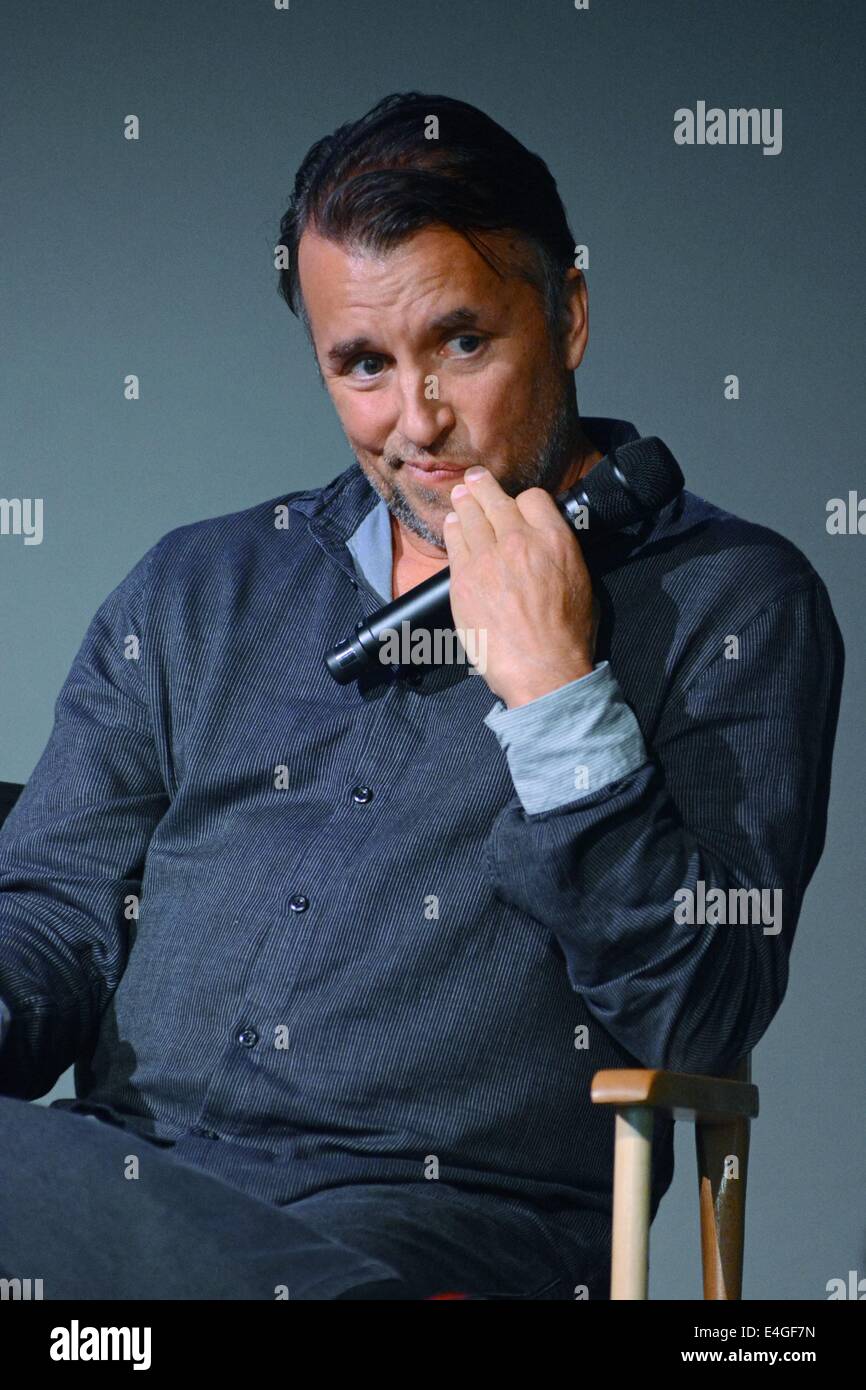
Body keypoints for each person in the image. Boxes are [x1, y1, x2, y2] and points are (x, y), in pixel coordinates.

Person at [0, 91, 844, 1300]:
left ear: (567, 316)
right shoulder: (197, 588)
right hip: (122, 1198)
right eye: (361, 366)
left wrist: (558, 697)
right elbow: (50, 919)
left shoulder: (732, 605)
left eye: (461, 343)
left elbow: (699, 1014)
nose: (417, 422)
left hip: (429, 1242)